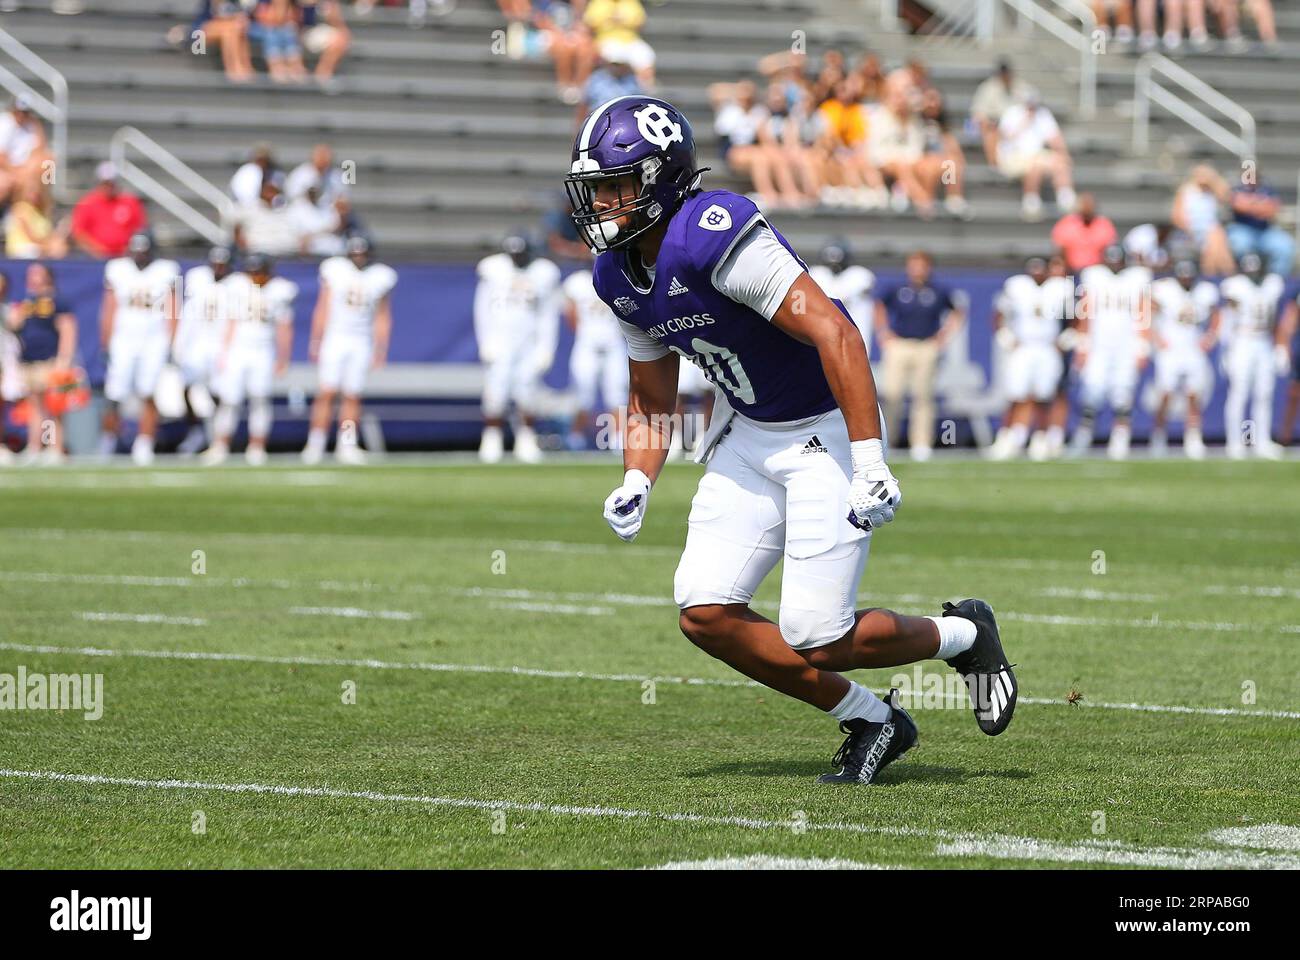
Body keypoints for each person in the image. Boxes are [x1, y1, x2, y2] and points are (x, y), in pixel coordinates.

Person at [565, 96, 1016, 784]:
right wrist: (636, 477)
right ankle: (873, 719)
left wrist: (868, 459)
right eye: (595, 187)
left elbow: (835, 332)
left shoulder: (711, 231)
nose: (600, 202)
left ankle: (964, 635)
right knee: (705, 611)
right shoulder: (614, 274)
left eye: (615, 186)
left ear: (659, 179)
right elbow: (650, 396)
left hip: (823, 428)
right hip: (746, 430)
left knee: (820, 636)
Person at [302, 235, 396, 465]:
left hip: (361, 340)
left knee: (352, 395)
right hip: (335, 337)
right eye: (355, 253)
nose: (359, 258)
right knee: (326, 391)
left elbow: (383, 315)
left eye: (362, 253)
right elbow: (322, 306)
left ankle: (346, 444)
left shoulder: (381, 276)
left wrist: (381, 347)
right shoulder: (335, 270)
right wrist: (316, 339)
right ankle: (316, 443)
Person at [473, 232, 560, 463]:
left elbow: (548, 315)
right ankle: (491, 439)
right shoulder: (493, 269)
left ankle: (526, 438)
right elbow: (482, 309)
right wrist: (485, 341)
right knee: (495, 392)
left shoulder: (543, 272)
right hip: (500, 340)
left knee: (527, 392)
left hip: (528, 341)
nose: (517, 258)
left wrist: (546, 347)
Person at [873, 250, 966, 461]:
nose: (918, 270)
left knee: (923, 396)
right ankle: (889, 441)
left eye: (922, 265)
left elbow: (958, 311)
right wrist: (883, 332)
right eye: (914, 265)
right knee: (892, 394)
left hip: (926, 346)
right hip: (899, 345)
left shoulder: (938, 290)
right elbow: (878, 305)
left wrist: (942, 337)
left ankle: (921, 444)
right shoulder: (898, 288)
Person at [205, 253, 297, 465]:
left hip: (263, 351)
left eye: (259, 272)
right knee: (229, 399)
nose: (255, 277)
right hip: (238, 350)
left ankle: (257, 446)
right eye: (252, 272)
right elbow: (230, 322)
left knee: (259, 398)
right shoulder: (237, 286)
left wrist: (283, 357)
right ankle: (220, 445)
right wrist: (223, 352)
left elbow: (285, 327)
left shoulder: (280, 290)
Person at [98, 232, 180, 465]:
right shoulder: (118, 269)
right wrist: (106, 340)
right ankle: (109, 439)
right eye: (136, 250)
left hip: (154, 340)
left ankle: (144, 443)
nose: (140, 255)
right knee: (114, 394)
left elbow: (173, 308)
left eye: (144, 251)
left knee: (149, 391)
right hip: (123, 339)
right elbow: (110, 307)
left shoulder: (166, 270)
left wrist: (172, 341)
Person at [989, 257, 1074, 461]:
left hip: (1046, 347)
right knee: (1016, 394)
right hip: (1024, 347)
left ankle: (1040, 437)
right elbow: (999, 313)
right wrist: (1005, 336)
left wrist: (1066, 339)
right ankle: (1007, 437)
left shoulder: (1060, 288)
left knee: (1044, 396)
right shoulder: (1017, 286)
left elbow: (1077, 317)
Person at [1070, 244, 1150, 460]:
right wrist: (1083, 343)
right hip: (1099, 344)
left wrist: (1142, 344)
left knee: (1123, 393)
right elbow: (1085, 310)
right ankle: (1084, 436)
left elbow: (1143, 311)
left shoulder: (1137, 278)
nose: (1114, 263)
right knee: (1092, 390)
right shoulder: (1094, 277)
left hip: (1126, 344)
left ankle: (1120, 438)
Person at [5, 264, 77, 463]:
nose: (32, 279)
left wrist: (64, 359)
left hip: (50, 360)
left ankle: (55, 447)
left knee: (54, 408)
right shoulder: (25, 301)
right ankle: (35, 447)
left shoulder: (57, 300)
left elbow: (67, 329)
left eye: (37, 275)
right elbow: (14, 325)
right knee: (35, 407)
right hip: (28, 361)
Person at [1148, 259, 1219, 458]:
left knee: (1194, 395)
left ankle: (1193, 437)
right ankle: (1158, 436)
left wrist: (1210, 337)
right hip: (1170, 349)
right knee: (1165, 394)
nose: (1186, 279)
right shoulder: (1164, 289)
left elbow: (1216, 315)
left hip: (1193, 348)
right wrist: (1155, 337)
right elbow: (1147, 310)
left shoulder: (1205, 290)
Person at [1218, 253, 1286, 459]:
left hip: (1264, 341)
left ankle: (1260, 440)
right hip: (1242, 340)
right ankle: (1236, 441)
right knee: (1240, 392)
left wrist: (1279, 345)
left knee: (1264, 393)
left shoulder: (1273, 284)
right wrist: (1226, 349)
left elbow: (1275, 318)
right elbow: (1228, 318)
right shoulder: (1236, 285)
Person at [173, 244, 235, 454]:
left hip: (221, 346)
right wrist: (180, 343)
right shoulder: (197, 279)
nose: (218, 269)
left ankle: (216, 436)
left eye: (222, 265)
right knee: (188, 388)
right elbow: (188, 313)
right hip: (197, 344)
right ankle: (197, 430)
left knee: (219, 393)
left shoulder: (237, 285)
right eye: (215, 264)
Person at [562, 265, 627, 450]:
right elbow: (571, 315)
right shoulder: (577, 282)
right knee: (584, 392)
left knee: (617, 393)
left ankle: (618, 438)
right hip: (587, 344)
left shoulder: (619, 276)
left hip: (613, 343)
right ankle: (575, 436)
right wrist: (586, 334)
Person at [996, 92, 1075, 221]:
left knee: (1060, 162)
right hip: (1013, 156)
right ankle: (1031, 201)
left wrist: (1064, 154)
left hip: (1037, 156)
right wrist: (1025, 121)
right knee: (1035, 165)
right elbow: (1005, 137)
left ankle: (1066, 199)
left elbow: (1055, 138)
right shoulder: (1012, 113)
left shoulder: (1043, 114)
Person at [808, 239, 875, 354]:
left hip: (854, 336)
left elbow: (842, 294)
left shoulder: (859, 275)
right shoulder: (817, 274)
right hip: (824, 336)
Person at [70, 163, 148, 259]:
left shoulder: (130, 202)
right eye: (106, 183)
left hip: (125, 257)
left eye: (111, 183)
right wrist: (98, 251)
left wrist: (128, 249)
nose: (109, 187)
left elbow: (140, 229)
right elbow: (79, 233)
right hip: (95, 258)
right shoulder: (87, 203)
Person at [1171, 164, 1233, 276]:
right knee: (1216, 237)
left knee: (1216, 239)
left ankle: (1213, 276)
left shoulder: (1212, 191)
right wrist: (1191, 231)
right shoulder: (1186, 191)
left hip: (1211, 230)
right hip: (1193, 231)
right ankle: (1225, 275)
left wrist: (1214, 181)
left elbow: (1226, 197)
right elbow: (1177, 218)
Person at [1226, 175, 1294, 277]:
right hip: (1242, 228)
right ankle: (1242, 278)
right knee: (1240, 243)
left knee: (1284, 245)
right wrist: (1259, 204)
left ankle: (1277, 281)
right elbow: (1238, 205)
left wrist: (1250, 204)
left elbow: (1272, 211)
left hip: (1265, 231)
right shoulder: (1237, 187)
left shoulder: (1267, 189)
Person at [969, 59, 1031, 166]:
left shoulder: (1020, 86)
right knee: (990, 131)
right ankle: (995, 165)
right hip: (993, 125)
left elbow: (1031, 103)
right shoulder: (988, 88)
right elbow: (978, 113)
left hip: (1016, 126)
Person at [0, 97, 52, 207]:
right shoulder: (4, 123)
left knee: (49, 164)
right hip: (6, 169)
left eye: (25, 113)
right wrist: (16, 173)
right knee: (4, 184)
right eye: (19, 112)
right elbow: (1, 156)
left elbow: (40, 148)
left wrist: (25, 172)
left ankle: (43, 209)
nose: (21, 116)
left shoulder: (32, 125)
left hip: (24, 169)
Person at [1050, 192, 1116, 273]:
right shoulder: (1066, 224)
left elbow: (1109, 253)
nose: (1087, 207)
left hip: (1096, 272)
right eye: (1084, 203)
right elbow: (1059, 253)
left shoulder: (1104, 224)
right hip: (1071, 271)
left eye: (1089, 204)